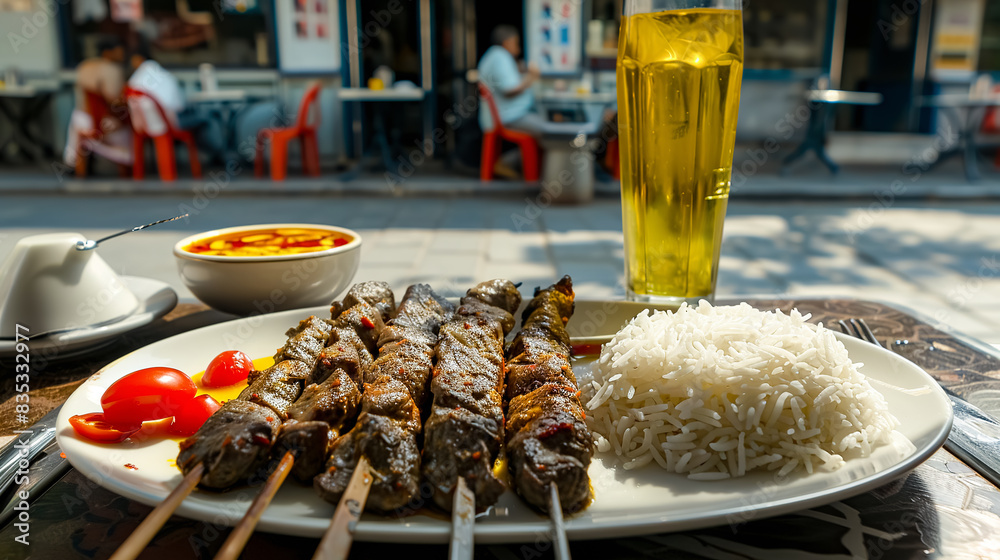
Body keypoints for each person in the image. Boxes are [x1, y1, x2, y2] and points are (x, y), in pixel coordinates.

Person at [127, 44, 225, 163]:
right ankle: (221, 154)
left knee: (203, 117)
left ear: (137, 59)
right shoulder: (161, 75)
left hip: (144, 126)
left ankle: (216, 153)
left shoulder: (135, 80)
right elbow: (179, 105)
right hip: (169, 123)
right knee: (210, 115)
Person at [64, 38, 133, 169]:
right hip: (102, 122)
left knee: (77, 118)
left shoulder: (84, 65)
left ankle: (74, 161)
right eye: (119, 52)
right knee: (130, 125)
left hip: (81, 119)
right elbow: (116, 103)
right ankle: (128, 162)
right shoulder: (112, 69)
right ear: (107, 53)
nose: (123, 56)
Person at [478, 25, 544, 137]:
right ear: (507, 42)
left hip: (505, 116)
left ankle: (523, 154)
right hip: (510, 117)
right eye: (516, 43)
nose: (518, 48)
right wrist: (531, 77)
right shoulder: (500, 56)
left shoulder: (493, 55)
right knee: (550, 128)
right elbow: (509, 90)